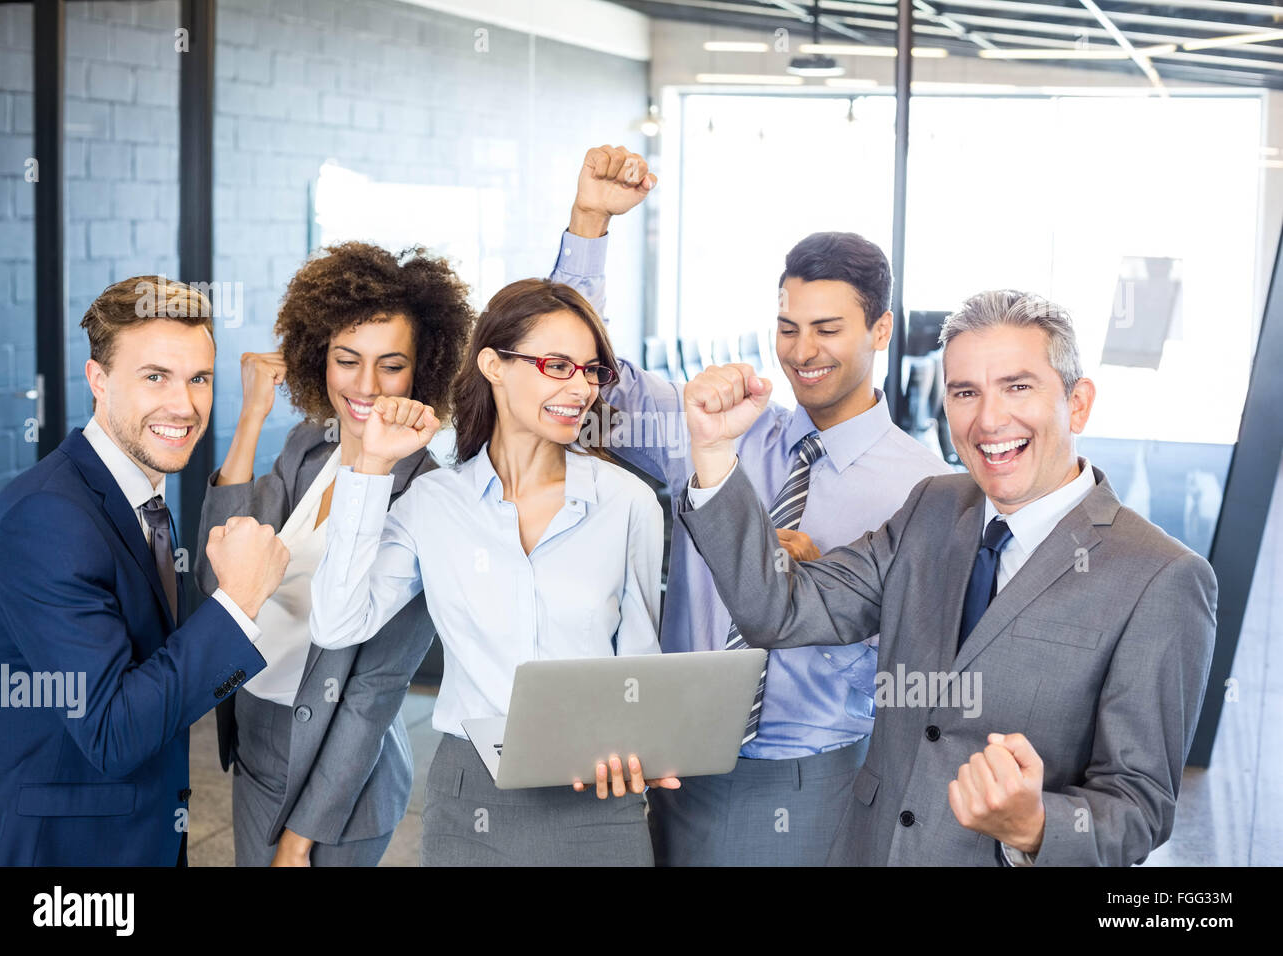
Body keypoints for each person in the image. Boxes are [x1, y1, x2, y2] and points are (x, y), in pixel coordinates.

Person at [675, 289, 1217, 866]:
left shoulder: (1162, 577)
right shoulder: (932, 506)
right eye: (965, 392)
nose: (988, 419)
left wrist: (1034, 827)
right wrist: (712, 453)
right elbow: (777, 609)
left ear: (1078, 404)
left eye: (1018, 386)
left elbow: (1140, 806)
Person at [550, 145, 951, 865]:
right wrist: (589, 223)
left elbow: (923, 665)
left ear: (880, 331)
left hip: (806, 772)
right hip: (670, 758)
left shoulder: (923, 487)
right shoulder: (719, 430)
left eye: (828, 329)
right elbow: (587, 394)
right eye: (788, 326)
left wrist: (831, 591)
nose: (803, 351)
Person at [310, 279, 676, 866]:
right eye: (558, 365)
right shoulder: (434, 502)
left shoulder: (627, 501)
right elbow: (336, 623)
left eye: (591, 371)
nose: (580, 387)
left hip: (597, 797)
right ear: (493, 365)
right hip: (471, 794)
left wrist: (638, 745)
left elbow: (639, 661)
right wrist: (372, 466)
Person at [0, 277, 287, 866]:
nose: (184, 405)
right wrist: (238, 603)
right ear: (99, 381)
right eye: (156, 377)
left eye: (198, 378)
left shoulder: (136, 494)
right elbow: (111, 730)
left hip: (138, 834)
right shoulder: (47, 517)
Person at [192, 242, 475, 866]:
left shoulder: (425, 494)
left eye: (391, 366)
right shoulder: (307, 447)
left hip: (339, 784)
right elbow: (221, 575)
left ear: (422, 369)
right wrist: (251, 417)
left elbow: (372, 693)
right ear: (319, 355)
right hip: (259, 738)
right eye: (347, 359)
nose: (366, 386)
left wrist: (300, 841)